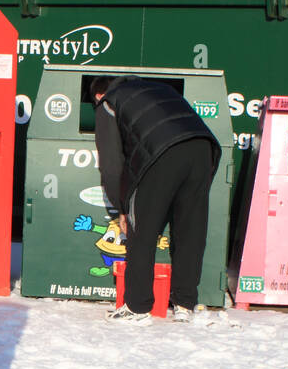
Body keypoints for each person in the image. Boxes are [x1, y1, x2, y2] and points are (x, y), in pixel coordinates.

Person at [91, 76, 220, 323]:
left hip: (161, 152)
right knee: (190, 230)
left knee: (142, 231)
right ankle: (184, 303)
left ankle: (137, 308)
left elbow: (110, 165)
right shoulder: (161, 88)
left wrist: (122, 207)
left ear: (99, 96)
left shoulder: (108, 102)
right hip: (202, 148)